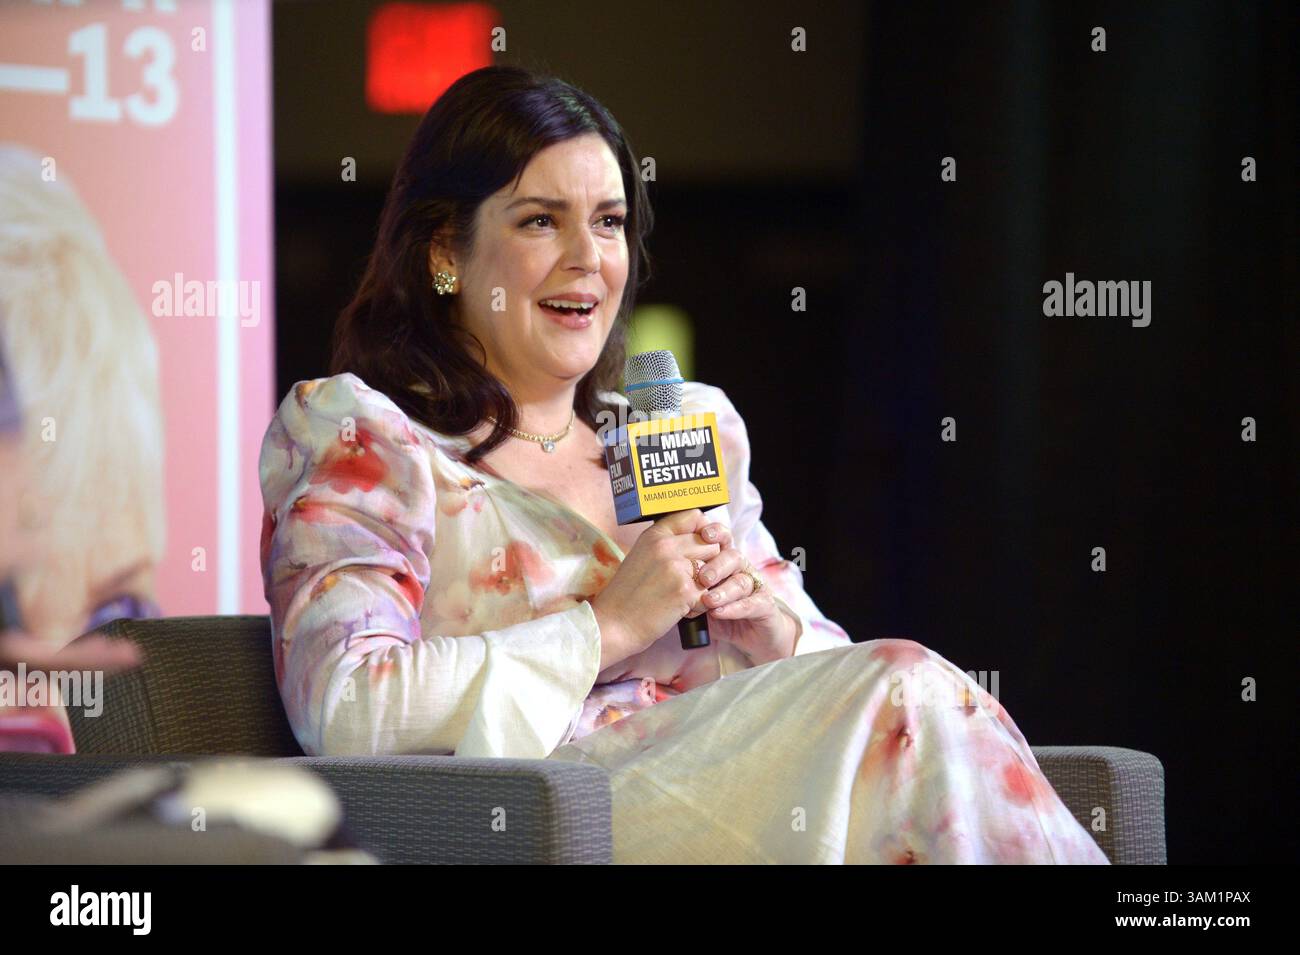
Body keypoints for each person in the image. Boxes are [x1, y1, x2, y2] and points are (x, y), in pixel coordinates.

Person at [258, 66, 1109, 864]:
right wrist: (608, 627)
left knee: (906, 698)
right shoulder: (369, 437)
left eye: (609, 220)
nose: (588, 256)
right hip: (563, 816)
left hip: (747, 788)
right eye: (540, 220)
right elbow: (347, 705)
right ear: (445, 253)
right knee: (906, 689)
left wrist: (769, 631)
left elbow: (827, 679)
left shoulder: (675, 429)